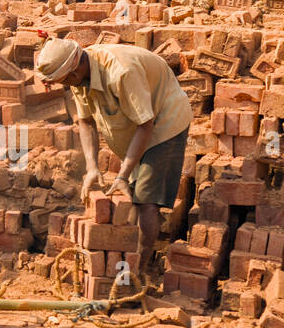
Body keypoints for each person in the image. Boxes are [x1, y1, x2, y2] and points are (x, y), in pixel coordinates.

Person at [35, 38, 193, 276]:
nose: (67, 86)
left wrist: (122, 174)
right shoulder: (80, 78)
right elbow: (86, 122)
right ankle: (123, 255)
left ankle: (139, 269)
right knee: (131, 193)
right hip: (137, 125)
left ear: (76, 68)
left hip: (164, 122)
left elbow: (146, 124)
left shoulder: (122, 72)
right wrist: (92, 168)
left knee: (146, 200)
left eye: (66, 80)